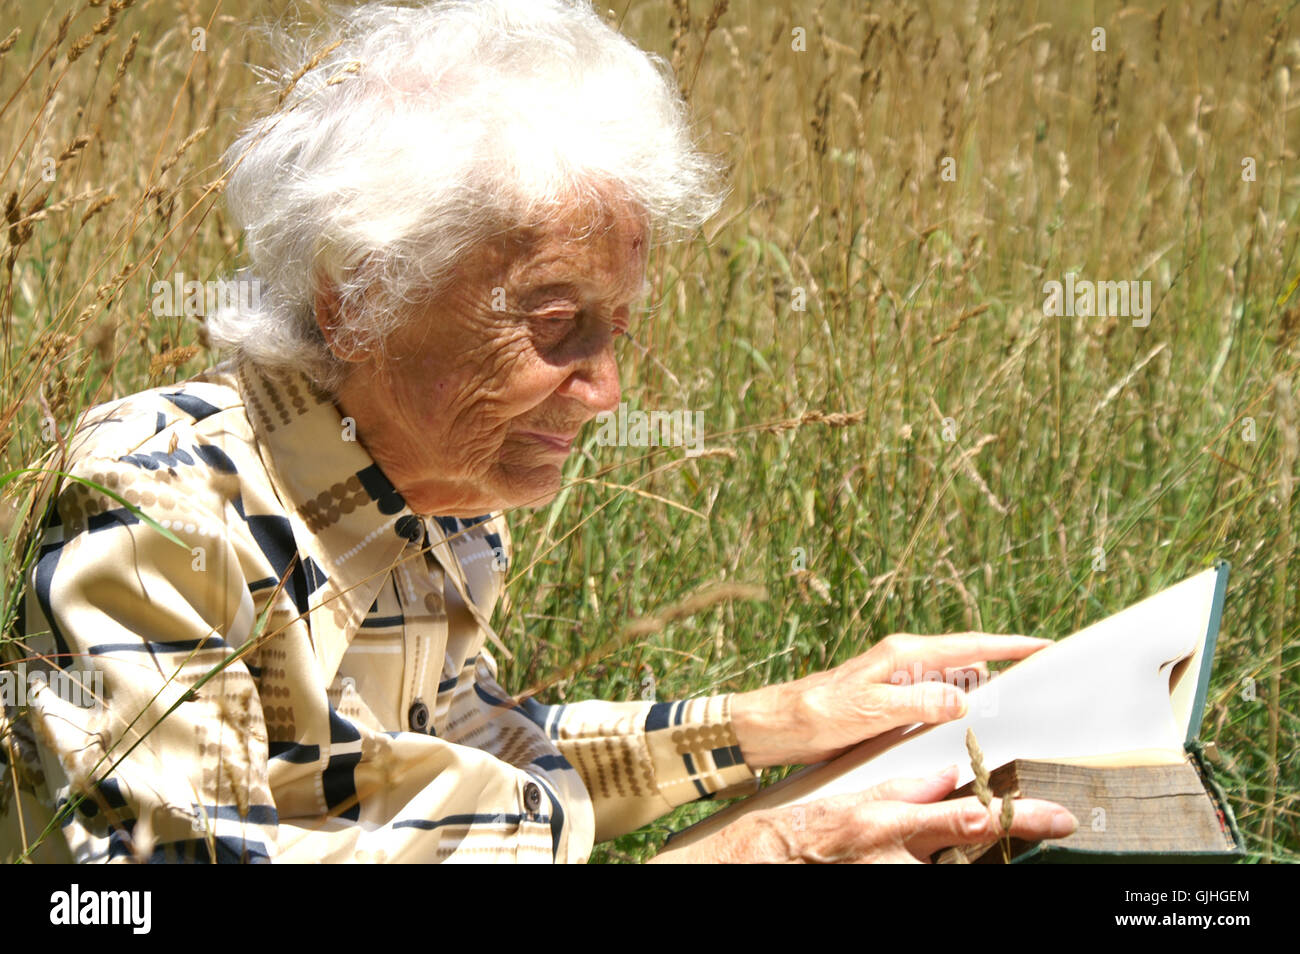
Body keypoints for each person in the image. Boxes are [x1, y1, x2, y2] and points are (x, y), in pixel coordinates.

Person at [0, 0, 1076, 863]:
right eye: (556, 324)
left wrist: (778, 721)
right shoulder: (156, 516)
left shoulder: (432, 500)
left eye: (618, 328)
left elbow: (476, 777)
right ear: (356, 296)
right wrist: (761, 851)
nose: (604, 390)